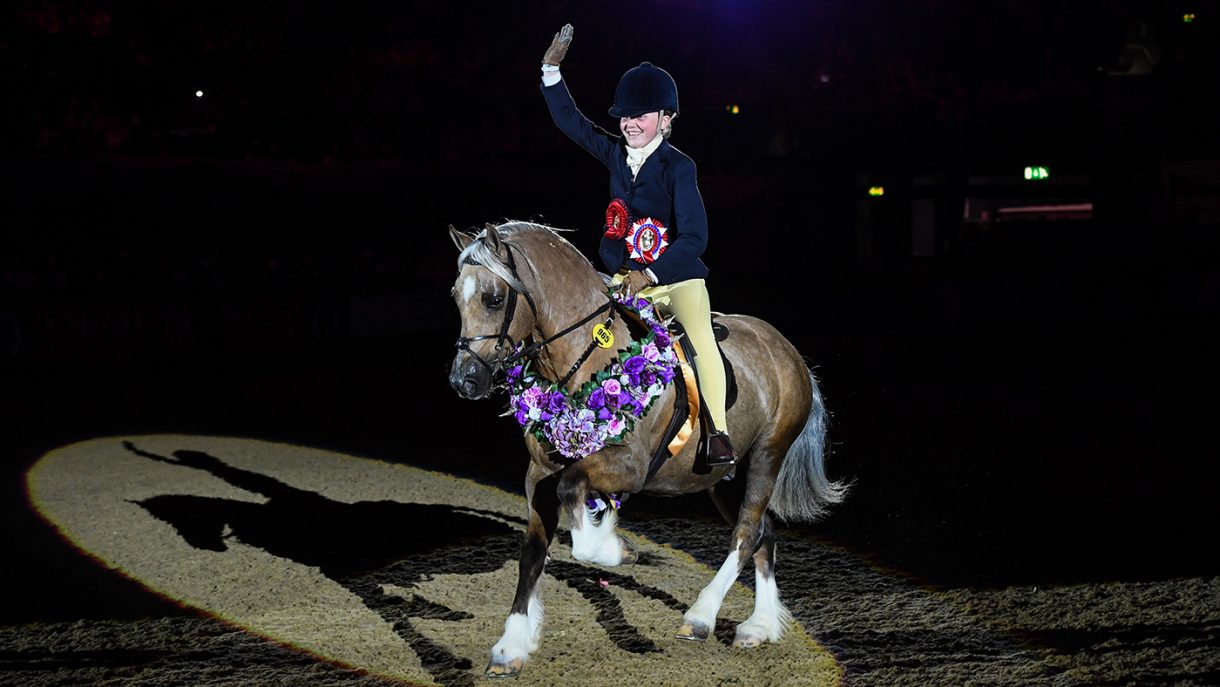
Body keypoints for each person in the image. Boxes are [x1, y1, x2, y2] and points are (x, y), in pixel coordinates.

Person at [539, 24, 737, 467]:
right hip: (621, 282)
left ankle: (719, 434)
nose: (629, 123)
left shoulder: (679, 168)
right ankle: (576, 428)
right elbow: (572, 123)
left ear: (666, 119)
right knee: (587, 338)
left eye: (641, 115)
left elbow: (695, 237)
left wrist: (649, 273)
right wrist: (551, 70)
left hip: (674, 281)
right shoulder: (614, 154)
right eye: (626, 115)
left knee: (701, 341)